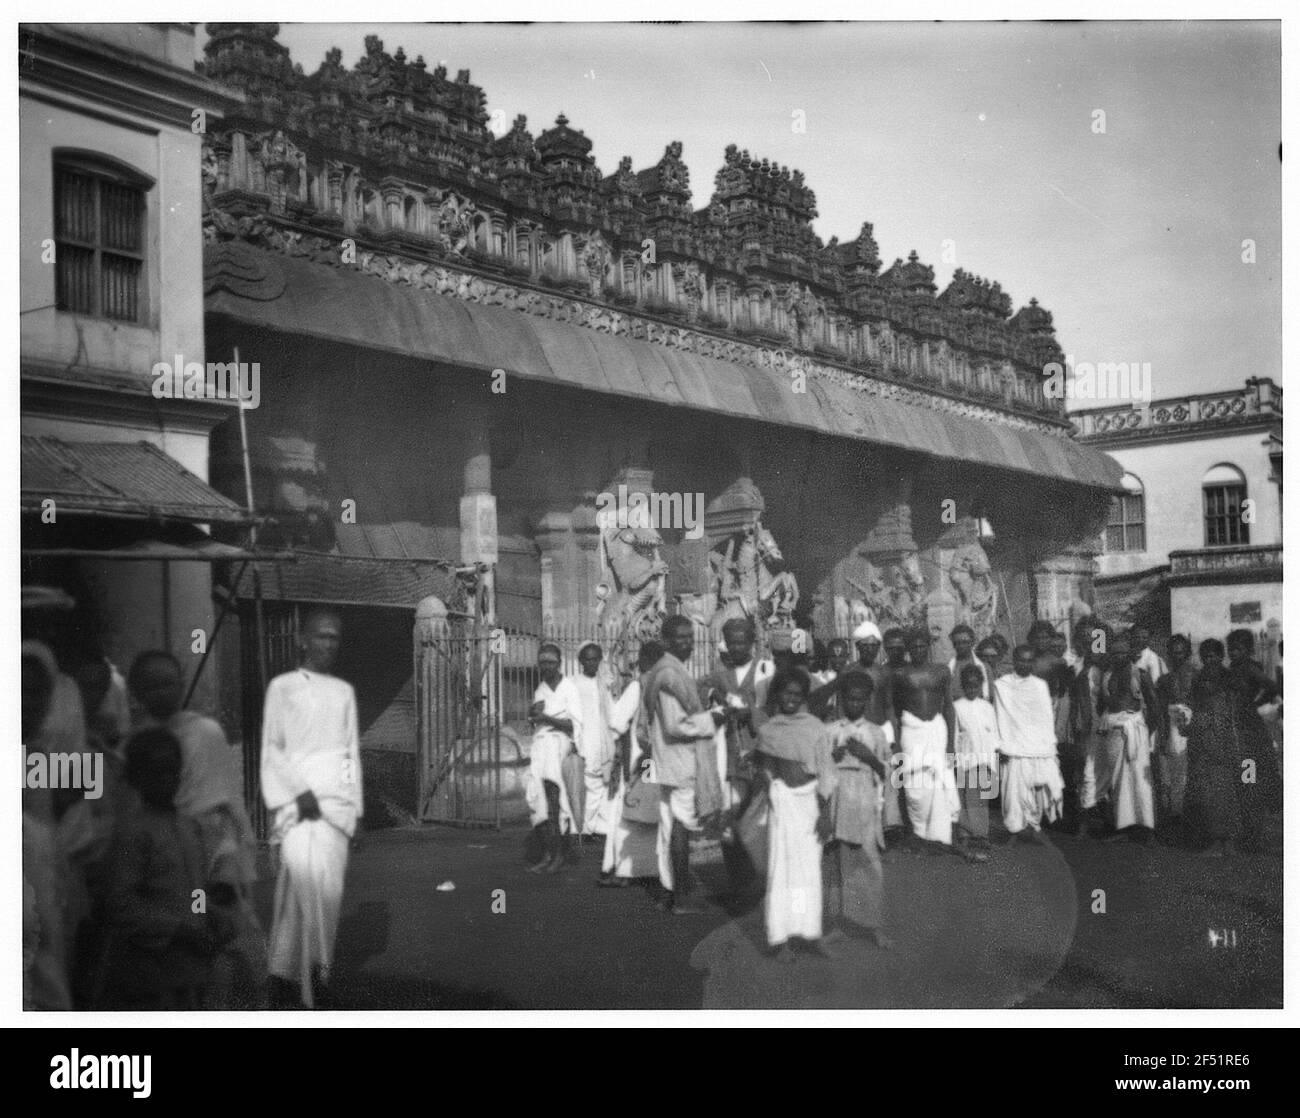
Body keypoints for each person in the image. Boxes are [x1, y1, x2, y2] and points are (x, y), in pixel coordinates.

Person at [128, 650, 265, 1007]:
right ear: (136, 691)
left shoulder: (206, 733)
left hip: (211, 856)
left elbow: (227, 800)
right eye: (150, 685)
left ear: (181, 685)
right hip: (159, 860)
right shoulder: (133, 742)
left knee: (216, 944)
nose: (161, 692)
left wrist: (235, 858)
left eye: (168, 683)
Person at [260, 608, 364, 1009]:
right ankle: (283, 977)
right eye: (320, 636)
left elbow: (350, 752)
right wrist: (299, 792)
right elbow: (272, 747)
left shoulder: (343, 692)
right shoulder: (282, 687)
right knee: (296, 891)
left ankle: (320, 971)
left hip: (336, 809)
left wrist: (354, 809)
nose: (328, 644)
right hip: (298, 808)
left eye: (334, 638)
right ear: (302, 640)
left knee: (329, 893)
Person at [101, 727, 225, 1009]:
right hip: (151, 970)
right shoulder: (132, 833)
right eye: (157, 772)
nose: (167, 779)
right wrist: (180, 929)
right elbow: (120, 902)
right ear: (135, 778)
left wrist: (209, 915)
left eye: (172, 770)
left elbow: (195, 891)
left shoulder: (189, 827)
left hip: (192, 968)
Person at [644, 616, 727, 916]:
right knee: (680, 826)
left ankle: (670, 891)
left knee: (669, 827)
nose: (688, 642)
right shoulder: (669, 675)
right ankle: (681, 898)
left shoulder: (668, 671)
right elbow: (676, 725)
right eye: (680, 637)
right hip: (680, 762)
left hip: (670, 762)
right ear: (666, 641)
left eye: (690, 636)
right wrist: (713, 719)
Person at [754, 668, 836, 961]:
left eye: (797, 695)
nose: (791, 699)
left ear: (804, 698)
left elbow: (826, 772)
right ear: (777, 695)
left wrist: (824, 813)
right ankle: (782, 938)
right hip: (784, 804)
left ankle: (808, 932)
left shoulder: (815, 728)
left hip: (810, 803)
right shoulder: (769, 729)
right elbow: (764, 765)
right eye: (786, 693)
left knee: (808, 873)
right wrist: (772, 787)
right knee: (783, 871)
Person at [698, 617, 773, 902]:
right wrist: (713, 694)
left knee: (759, 822)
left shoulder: (765, 670)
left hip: (759, 755)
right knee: (729, 819)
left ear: (752, 643)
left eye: (743, 642)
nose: (738, 647)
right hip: (730, 759)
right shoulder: (721, 674)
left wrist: (750, 714)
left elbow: (775, 709)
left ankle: (760, 877)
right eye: (732, 642)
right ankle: (739, 880)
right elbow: (696, 688)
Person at [823, 673, 891, 946]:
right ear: (842, 700)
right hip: (837, 799)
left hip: (863, 799)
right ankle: (836, 923)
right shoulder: (829, 731)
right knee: (837, 864)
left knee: (868, 861)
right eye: (850, 699)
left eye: (860, 700)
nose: (855, 704)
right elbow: (815, 770)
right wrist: (831, 758)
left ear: (866, 701)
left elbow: (891, 772)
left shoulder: (876, 732)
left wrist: (869, 757)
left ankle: (873, 925)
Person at [600, 642, 664, 885]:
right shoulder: (665, 685)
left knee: (630, 806)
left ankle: (625, 871)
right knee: (652, 804)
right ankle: (653, 869)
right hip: (658, 757)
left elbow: (617, 722)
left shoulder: (637, 686)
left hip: (638, 757)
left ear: (643, 662)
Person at [892, 629, 960, 850]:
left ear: (928, 647)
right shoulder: (900, 674)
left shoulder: (941, 672)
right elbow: (894, 710)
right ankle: (919, 831)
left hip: (936, 731)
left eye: (922, 646)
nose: (918, 650)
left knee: (939, 781)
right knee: (914, 783)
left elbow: (949, 706)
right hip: (912, 731)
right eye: (914, 647)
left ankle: (940, 834)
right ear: (909, 650)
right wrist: (897, 740)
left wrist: (951, 743)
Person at [993, 646, 1065, 843]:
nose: (1024, 664)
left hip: (1038, 747)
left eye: (1028, 660)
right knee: (1012, 793)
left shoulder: (1040, 685)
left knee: (1037, 790)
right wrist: (1001, 745)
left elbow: (1046, 717)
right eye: (1020, 660)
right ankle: (1013, 830)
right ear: (1014, 661)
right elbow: (1000, 716)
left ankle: (1034, 827)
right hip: (1013, 747)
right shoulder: (1002, 684)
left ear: (1033, 663)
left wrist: (1050, 746)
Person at [1090, 632, 1157, 842]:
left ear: (1130, 653)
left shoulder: (1141, 674)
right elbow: (1102, 705)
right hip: (1114, 731)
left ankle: (1146, 830)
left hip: (1136, 731)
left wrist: (1145, 733)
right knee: (1117, 780)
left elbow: (1154, 707)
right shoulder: (1107, 675)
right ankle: (1122, 827)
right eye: (1115, 652)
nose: (1119, 656)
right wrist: (1111, 721)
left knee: (1140, 781)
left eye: (1123, 652)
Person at [1224, 629, 1282, 849]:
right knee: (1243, 784)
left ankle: (1254, 836)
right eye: (1231, 649)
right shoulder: (1232, 669)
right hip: (1236, 732)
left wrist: (1253, 705)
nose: (1233, 652)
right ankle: (1249, 832)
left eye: (1238, 649)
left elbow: (1272, 687)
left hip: (1250, 737)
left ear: (1247, 650)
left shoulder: (1249, 668)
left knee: (1250, 782)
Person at [527, 642, 582, 874]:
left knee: (556, 801)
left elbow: (573, 724)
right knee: (537, 799)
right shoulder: (540, 689)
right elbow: (536, 719)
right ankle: (548, 853)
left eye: (550, 662)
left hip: (559, 746)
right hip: (541, 747)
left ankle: (558, 855)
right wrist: (533, 716)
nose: (546, 666)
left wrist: (546, 718)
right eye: (542, 662)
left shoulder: (568, 687)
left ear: (559, 664)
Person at [951, 663, 998, 862]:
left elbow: (993, 733)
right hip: (966, 758)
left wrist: (994, 756)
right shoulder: (957, 707)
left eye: (975, 685)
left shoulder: (987, 707)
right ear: (963, 686)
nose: (972, 689)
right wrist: (954, 759)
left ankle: (979, 834)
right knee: (966, 797)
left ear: (981, 685)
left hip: (985, 758)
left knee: (980, 798)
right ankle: (965, 834)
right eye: (968, 686)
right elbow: (954, 735)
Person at [573, 642, 616, 839]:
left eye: (597, 659)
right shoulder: (574, 684)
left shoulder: (604, 684)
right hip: (585, 741)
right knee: (589, 784)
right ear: (581, 661)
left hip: (604, 740)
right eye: (589, 659)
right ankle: (583, 829)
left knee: (604, 784)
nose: (593, 663)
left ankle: (599, 828)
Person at [1155, 635, 1196, 832]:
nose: (1176, 656)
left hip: (1192, 728)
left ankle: (1189, 821)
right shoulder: (1164, 680)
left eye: (1180, 652)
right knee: (1169, 777)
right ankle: (1174, 820)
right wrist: (1162, 735)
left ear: (1187, 653)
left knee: (1190, 775)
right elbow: (1161, 709)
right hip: (1171, 729)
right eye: (1173, 653)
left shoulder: (1197, 675)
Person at [947, 624, 984, 702]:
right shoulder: (948, 669)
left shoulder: (983, 667)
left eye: (965, 642)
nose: (961, 646)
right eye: (957, 643)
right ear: (953, 645)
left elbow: (989, 697)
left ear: (972, 642)